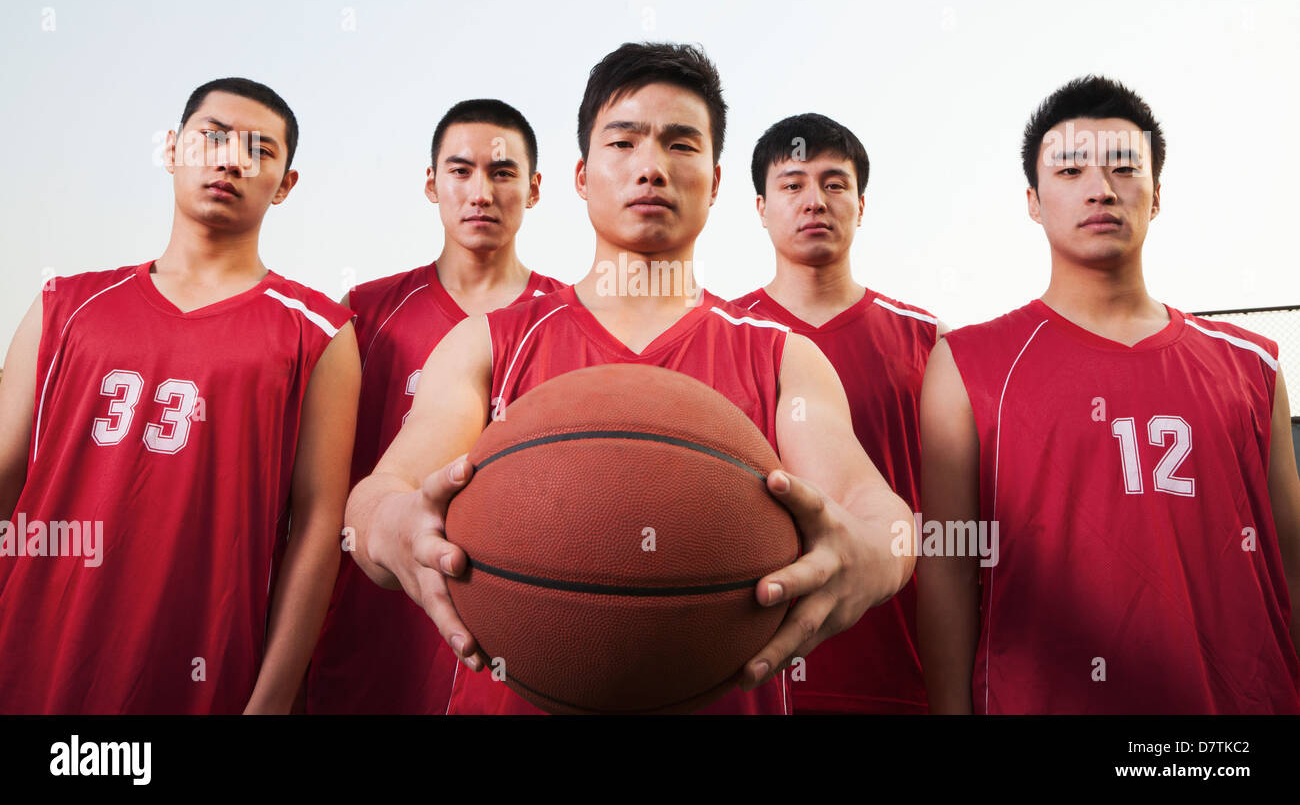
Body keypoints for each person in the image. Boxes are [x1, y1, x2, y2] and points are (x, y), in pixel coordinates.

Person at [344, 41, 915, 714]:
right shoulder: (488, 343)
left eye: (680, 144)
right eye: (624, 143)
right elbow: (376, 497)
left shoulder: (782, 356)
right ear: (582, 177)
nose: (651, 168)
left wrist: (874, 555)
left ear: (718, 181)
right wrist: (392, 528)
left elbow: (881, 514)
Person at [918, 75, 1300, 713]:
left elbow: (1291, 564)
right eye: (1070, 171)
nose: (1101, 188)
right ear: (1034, 201)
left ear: (1156, 196)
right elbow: (947, 568)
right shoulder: (967, 364)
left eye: (1126, 167)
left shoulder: (1251, 365)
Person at [0, 77, 359, 714]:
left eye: (261, 150)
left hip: (203, 674)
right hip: (33, 658)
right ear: (171, 149)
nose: (230, 159)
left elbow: (317, 529)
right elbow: (3, 479)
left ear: (286, 185)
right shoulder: (66, 305)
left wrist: (270, 705)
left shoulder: (319, 330)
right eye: (212, 137)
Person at [305, 99, 565, 714]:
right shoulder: (361, 315)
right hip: (374, 632)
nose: (481, 191)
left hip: (513, 638)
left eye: (502, 174)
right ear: (431, 184)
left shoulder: (564, 320)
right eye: (461, 171)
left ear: (533, 190)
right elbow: (317, 498)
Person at [734, 112, 944, 713]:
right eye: (793, 184)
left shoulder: (933, 344)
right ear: (761, 207)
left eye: (834, 183)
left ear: (860, 204)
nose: (814, 201)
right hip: (750, 672)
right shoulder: (721, 336)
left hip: (900, 671)